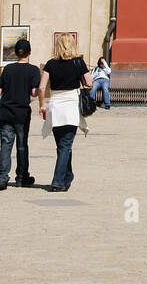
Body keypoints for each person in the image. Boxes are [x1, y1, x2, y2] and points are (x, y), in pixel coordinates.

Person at [38, 33, 92, 193]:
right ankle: (58, 182)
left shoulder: (50, 64)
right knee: (65, 146)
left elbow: (41, 87)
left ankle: (67, 176)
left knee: (62, 145)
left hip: (55, 107)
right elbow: (88, 82)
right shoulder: (78, 62)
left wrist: (42, 105)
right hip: (71, 107)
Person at [0, 39, 41, 190]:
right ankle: (22, 177)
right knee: (22, 145)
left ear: (15, 52)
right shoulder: (33, 70)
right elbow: (34, 93)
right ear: (29, 52)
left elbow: (1, 90)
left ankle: (2, 177)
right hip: (21, 113)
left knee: (5, 144)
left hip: (5, 111)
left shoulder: (8, 69)